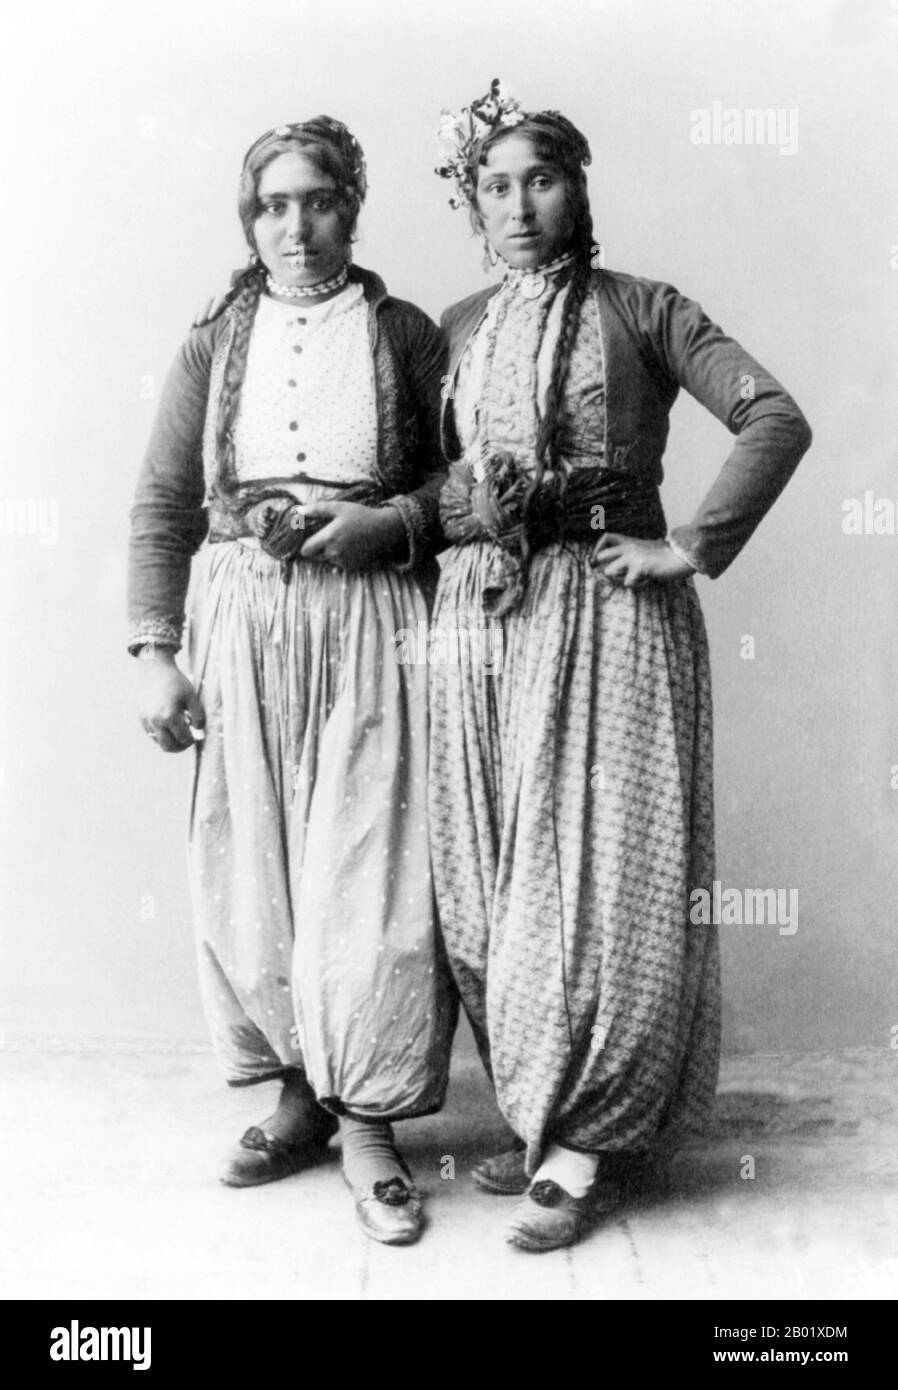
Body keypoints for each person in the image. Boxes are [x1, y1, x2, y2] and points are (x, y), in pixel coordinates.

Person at [429, 80, 812, 1252]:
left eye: (541, 179)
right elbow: (430, 485)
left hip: (608, 620)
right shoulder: (453, 327)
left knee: (596, 882)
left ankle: (589, 1140)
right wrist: (463, 505)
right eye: (495, 186)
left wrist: (687, 545)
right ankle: (536, 1107)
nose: (519, 205)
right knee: (484, 886)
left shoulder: (645, 308)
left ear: (578, 187)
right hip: (480, 623)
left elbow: (772, 416)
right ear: (472, 204)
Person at [128, 116, 455, 1246]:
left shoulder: (406, 333)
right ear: (249, 219)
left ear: (351, 208)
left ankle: (370, 1120)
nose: (295, 224)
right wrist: (154, 653)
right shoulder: (212, 340)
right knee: (252, 864)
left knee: (373, 866)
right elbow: (164, 504)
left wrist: (391, 523)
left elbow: (463, 482)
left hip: (374, 617)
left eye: (317, 200)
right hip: (240, 622)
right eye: (273, 205)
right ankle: (300, 1099)